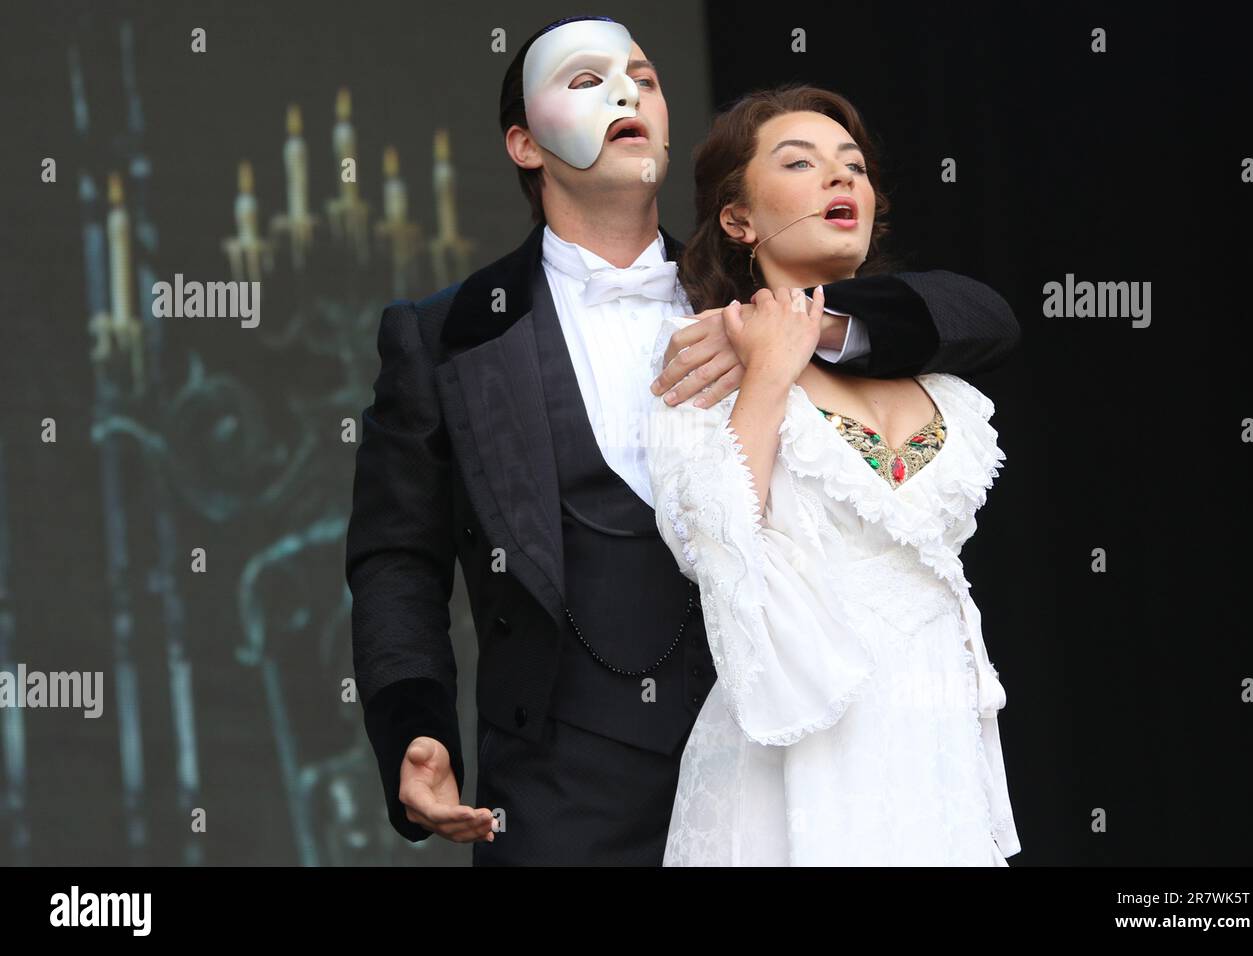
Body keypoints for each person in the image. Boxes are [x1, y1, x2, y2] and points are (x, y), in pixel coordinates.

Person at [345, 15, 1020, 865]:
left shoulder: (751, 296)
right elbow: (396, 557)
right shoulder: (445, 335)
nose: (628, 92)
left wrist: (793, 327)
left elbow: (979, 317)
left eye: (646, 78)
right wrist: (414, 722)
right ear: (524, 143)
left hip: (782, 761)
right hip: (564, 786)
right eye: (587, 81)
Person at [647, 85, 1022, 865]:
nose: (840, 178)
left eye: (854, 166)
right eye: (801, 162)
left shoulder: (945, 385)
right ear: (738, 219)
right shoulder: (705, 369)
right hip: (796, 755)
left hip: (938, 751)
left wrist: (813, 326)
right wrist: (768, 371)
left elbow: (994, 315)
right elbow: (709, 547)